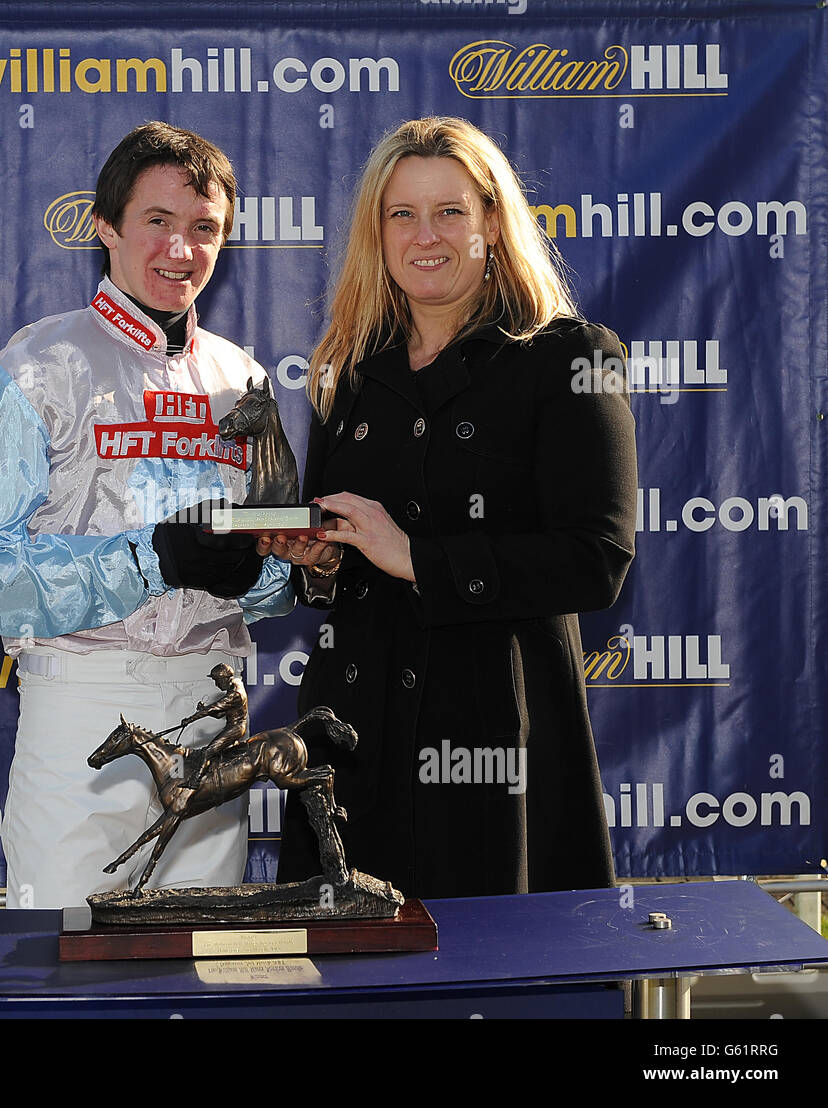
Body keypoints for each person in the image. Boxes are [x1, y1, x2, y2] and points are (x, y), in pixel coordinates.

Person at [272, 116, 637, 899]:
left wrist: (418, 559)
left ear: (494, 222)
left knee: (492, 980)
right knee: (342, 984)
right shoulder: (349, 372)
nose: (424, 234)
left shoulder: (569, 357)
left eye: (451, 211)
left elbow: (597, 559)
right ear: (378, 233)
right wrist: (323, 562)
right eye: (402, 214)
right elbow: (338, 556)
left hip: (489, 741)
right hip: (353, 735)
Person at [0, 122, 293, 909]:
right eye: (158, 222)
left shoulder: (244, 380)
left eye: (205, 229)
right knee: (60, 973)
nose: (182, 249)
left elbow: (270, 585)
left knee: (196, 985)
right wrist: (151, 559)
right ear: (105, 227)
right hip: (83, 712)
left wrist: (266, 572)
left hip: (213, 714)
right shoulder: (35, 367)